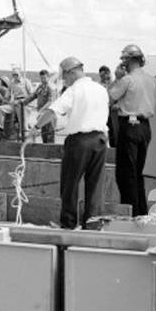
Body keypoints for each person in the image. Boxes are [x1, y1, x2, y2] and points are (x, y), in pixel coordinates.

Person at [35, 56, 109, 229]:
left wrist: (36, 128)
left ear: (72, 72)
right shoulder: (100, 89)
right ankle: (93, 224)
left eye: (65, 76)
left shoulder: (74, 90)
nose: (64, 80)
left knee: (70, 182)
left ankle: (68, 223)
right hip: (100, 140)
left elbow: (53, 111)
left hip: (80, 141)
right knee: (95, 184)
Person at [109, 44, 156, 217]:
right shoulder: (152, 80)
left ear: (127, 62)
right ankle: (141, 212)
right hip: (145, 128)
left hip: (129, 127)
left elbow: (109, 96)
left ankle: (131, 213)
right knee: (137, 172)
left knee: (125, 174)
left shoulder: (127, 80)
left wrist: (117, 78)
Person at [33, 69, 56, 144]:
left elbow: (50, 101)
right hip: (42, 114)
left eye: (44, 78)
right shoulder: (40, 86)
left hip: (49, 114)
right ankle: (45, 152)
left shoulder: (51, 87)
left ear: (48, 77)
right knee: (44, 134)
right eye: (41, 78)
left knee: (49, 134)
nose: (42, 79)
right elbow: (34, 95)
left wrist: (41, 110)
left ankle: (50, 153)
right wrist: (24, 102)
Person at [98, 66, 116, 146]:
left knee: (113, 130)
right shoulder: (99, 85)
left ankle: (113, 147)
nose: (105, 76)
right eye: (102, 75)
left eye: (107, 74)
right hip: (103, 110)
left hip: (112, 111)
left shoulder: (115, 84)